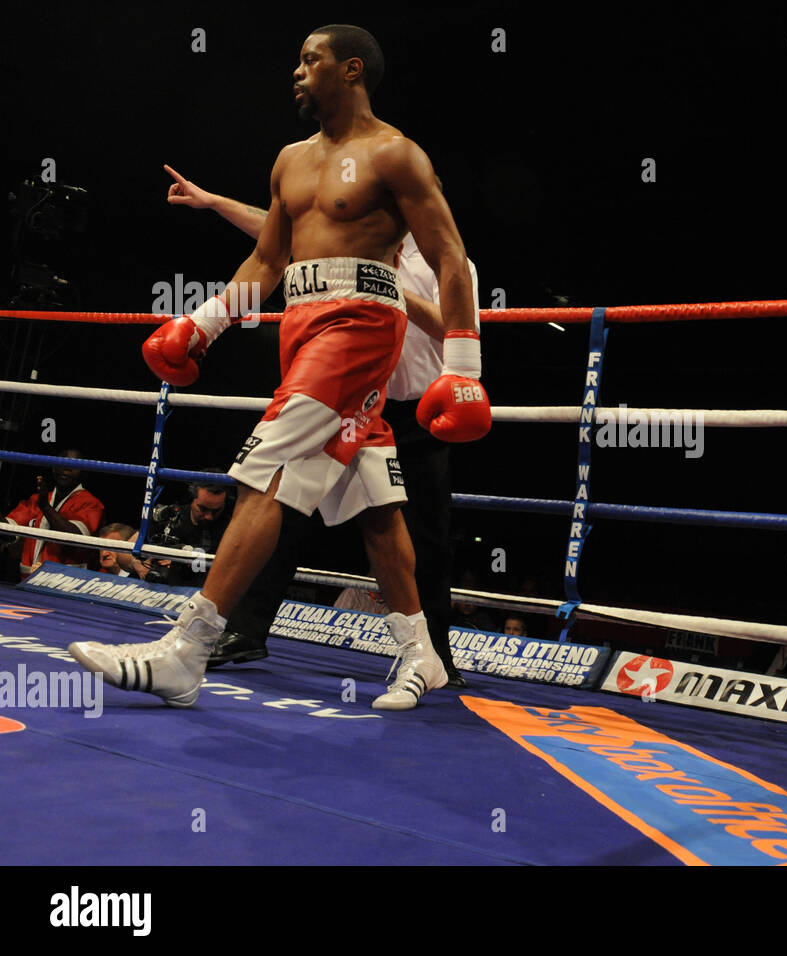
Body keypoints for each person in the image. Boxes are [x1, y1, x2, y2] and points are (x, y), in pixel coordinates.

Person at [68, 24, 490, 711]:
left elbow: (448, 257)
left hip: (358, 327)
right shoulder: (290, 160)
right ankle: (422, 653)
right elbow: (267, 262)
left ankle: (188, 648)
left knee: (264, 470)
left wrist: (464, 365)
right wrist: (202, 324)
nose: (296, 72)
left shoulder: (396, 154)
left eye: (310, 59)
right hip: (301, 324)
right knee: (373, 499)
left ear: (351, 70)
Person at [164, 168, 474, 686]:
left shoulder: (450, 261)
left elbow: (454, 326)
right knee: (281, 508)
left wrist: (384, 284)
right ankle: (238, 632)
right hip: (343, 393)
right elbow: (278, 235)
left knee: (416, 533)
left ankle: (432, 653)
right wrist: (216, 200)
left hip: (417, 412)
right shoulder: (356, 239)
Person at [3, 449, 105, 577]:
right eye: (62, 463)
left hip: (66, 583)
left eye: (74, 465)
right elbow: (7, 531)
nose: (66, 469)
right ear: (53, 468)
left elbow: (74, 539)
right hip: (27, 580)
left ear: (84, 473)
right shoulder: (36, 500)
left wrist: (46, 507)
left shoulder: (90, 504)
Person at [143, 480, 232, 586]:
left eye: (216, 510)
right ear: (191, 500)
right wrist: (137, 565)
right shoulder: (171, 516)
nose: (209, 516)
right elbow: (124, 557)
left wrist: (178, 562)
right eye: (203, 509)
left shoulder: (231, 528)